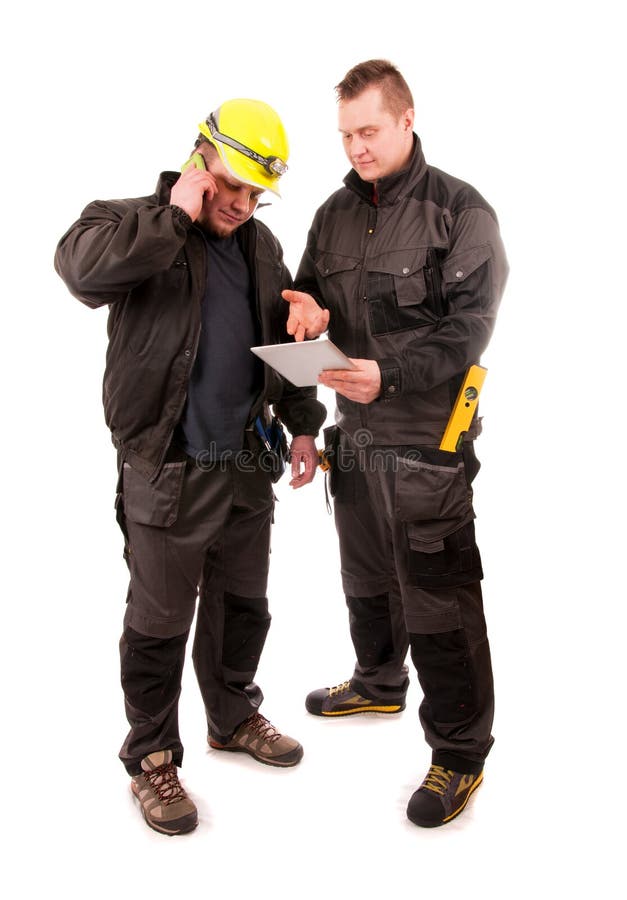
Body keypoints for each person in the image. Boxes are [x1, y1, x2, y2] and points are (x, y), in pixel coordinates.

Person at [54, 98, 326, 836]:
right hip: (166, 465)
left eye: (254, 192)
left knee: (244, 607)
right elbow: (82, 275)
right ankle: (151, 758)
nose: (241, 204)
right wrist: (173, 215)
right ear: (198, 157)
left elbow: (285, 339)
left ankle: (232, 717)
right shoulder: (124, 220)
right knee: (158, 623)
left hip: (245, 461)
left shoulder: (261, 245)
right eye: (230, 185)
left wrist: (302, 425)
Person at [283, 60, 508, 828]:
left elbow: (468, 329)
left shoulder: (460, 211)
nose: (355, 148)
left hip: (426, 445)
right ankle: (378, 680)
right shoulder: (331, 214)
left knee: (439, 599)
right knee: (367, 577)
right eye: (345, 135)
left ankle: (458, 754)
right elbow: (309, 294)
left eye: (368, 131)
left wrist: (392, 374)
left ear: (406, 120)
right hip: (356, 438)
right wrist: (307, 314)